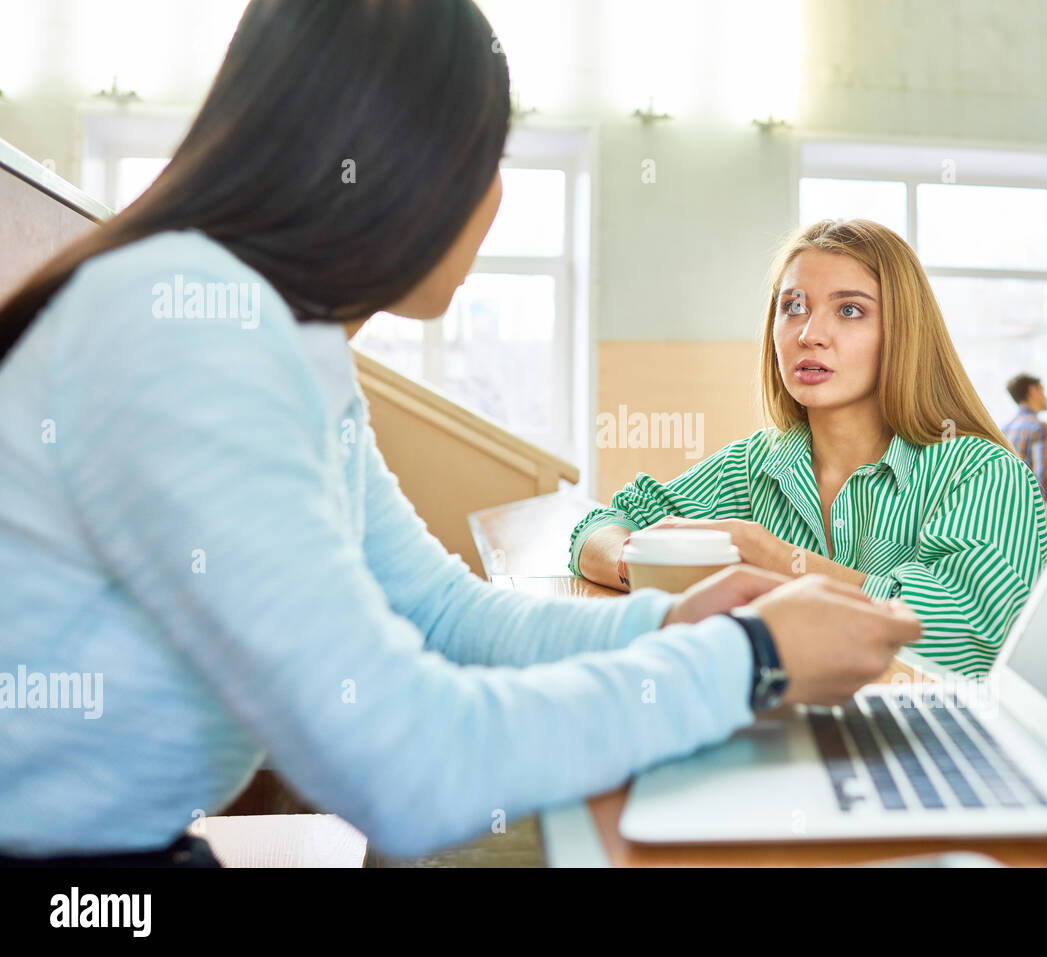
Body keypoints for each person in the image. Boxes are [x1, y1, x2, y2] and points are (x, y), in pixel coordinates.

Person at [0, 0, 920, 864]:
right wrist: (750, 659)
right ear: (399, 161)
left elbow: (438, 615)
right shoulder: (191, 333)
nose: (494, 201)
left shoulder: (282, 341)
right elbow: (406, 764)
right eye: (489, 160)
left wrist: (676, 620)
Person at [571, 219, 1047, 678]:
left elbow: (971, 635)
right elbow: (599, 529)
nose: (809, 334)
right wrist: (649, 564)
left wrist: (771, 557)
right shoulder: (753, 464)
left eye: (849, 310)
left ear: (902, 333)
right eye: (793, 307)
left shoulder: (982, 473)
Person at [1002, 374, 1047, 530]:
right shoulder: (1041, 429)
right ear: (1033, 391)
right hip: (1030, 515)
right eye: (1042, 391)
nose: (1046, 397)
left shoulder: (1005, 429)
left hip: (1006, 514)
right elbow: (1043, 474)